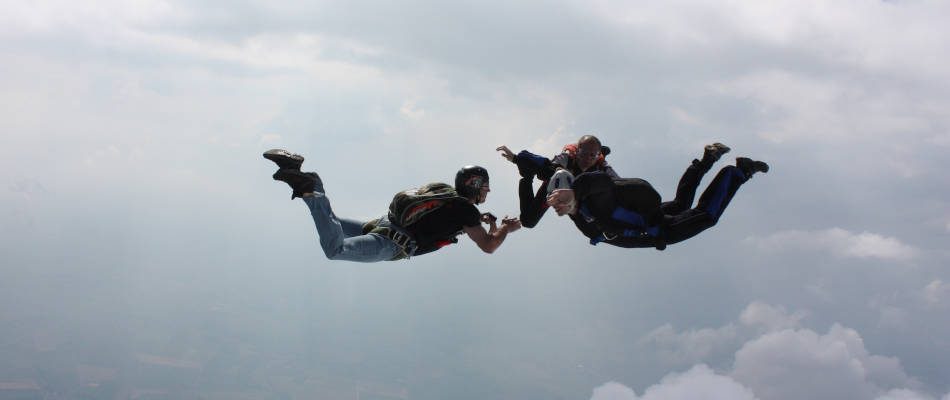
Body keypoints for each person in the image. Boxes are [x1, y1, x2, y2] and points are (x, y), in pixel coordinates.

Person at [263, 149, 521, 262]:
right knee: (335, 249)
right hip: (392, 243)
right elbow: (488, 246)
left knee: (336, 223)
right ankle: (311, 190)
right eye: (486, 185)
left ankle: (300, 174)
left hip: (382, 224)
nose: (488, 190)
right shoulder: (466, 212)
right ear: (476, 186)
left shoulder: (448, 195)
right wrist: (507, 230)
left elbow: (448, 221)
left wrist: (491, 223)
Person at [545, 144, 768, 250]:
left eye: (560, 200)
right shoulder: (583, 218)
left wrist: (654, 235)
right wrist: (650, 239)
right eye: (556, 204)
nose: (559, 207)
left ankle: (738, 172)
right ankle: (709, 158)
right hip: (649, 225)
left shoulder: (593, 200)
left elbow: (606, 184)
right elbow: (618, 238)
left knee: (707, 216)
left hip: (654, 225)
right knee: (683, 204)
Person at [496, 135, 618, 229]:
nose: (588, 158)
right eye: (584, 153)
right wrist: (516, 159)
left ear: (598, 155)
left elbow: (618, 183)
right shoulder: (568, 155)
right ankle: (527, 176)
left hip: (578, 192)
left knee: (609, 189)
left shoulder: (602, 165)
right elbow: (546, 165)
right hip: (556, 187)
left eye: (593, 155)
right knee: (528, 221)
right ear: (577, 151)